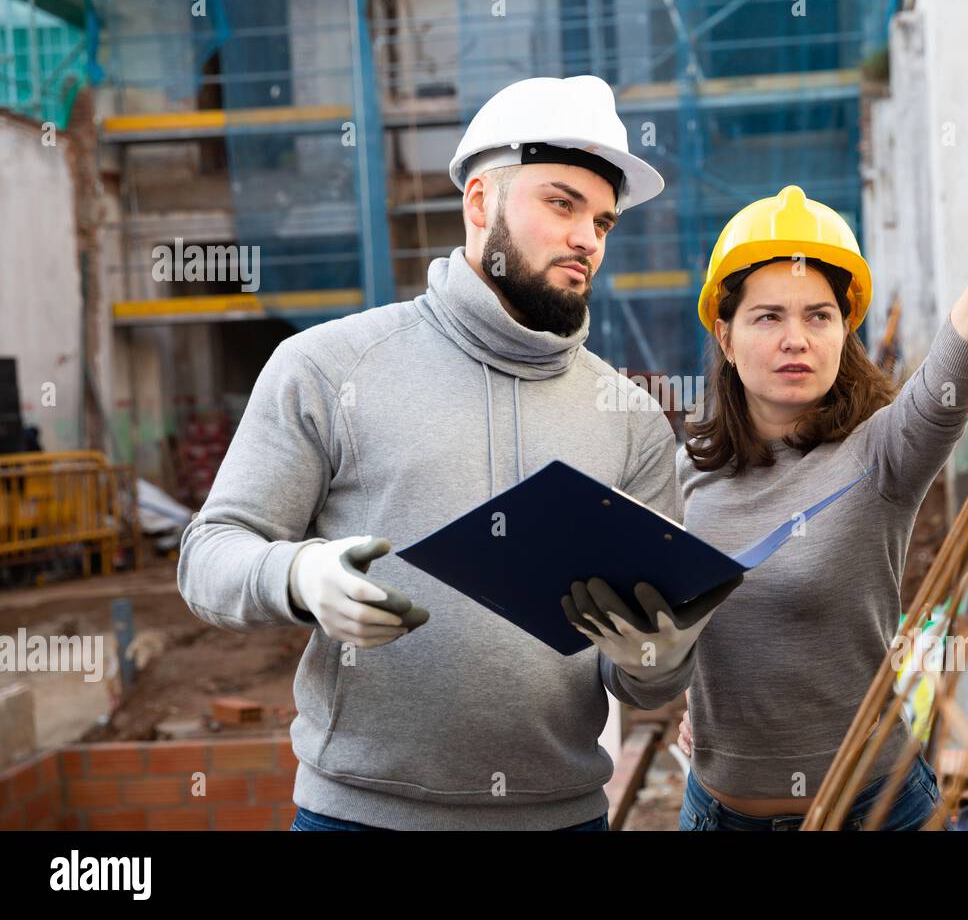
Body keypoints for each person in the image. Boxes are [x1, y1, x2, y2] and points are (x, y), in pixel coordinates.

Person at [177, 75, 716, 830]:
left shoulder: (628, 420)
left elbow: (647, 690)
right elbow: (207, 557)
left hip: (562, 820)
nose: (587, 239)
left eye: (603, 220)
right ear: (480, 204)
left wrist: (655, 657)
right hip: (359, 819)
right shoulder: (331, 368)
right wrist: (299, 573)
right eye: (561, 203)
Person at [564, 154, 968, 830]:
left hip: (880, 810)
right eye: (768, 317)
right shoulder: (681, 477)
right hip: (721, 813)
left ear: (844, 330)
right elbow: (656, 644)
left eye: (819, 316)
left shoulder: (884, 454)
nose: (796, 340)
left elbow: (953, 375)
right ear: (727, 335)